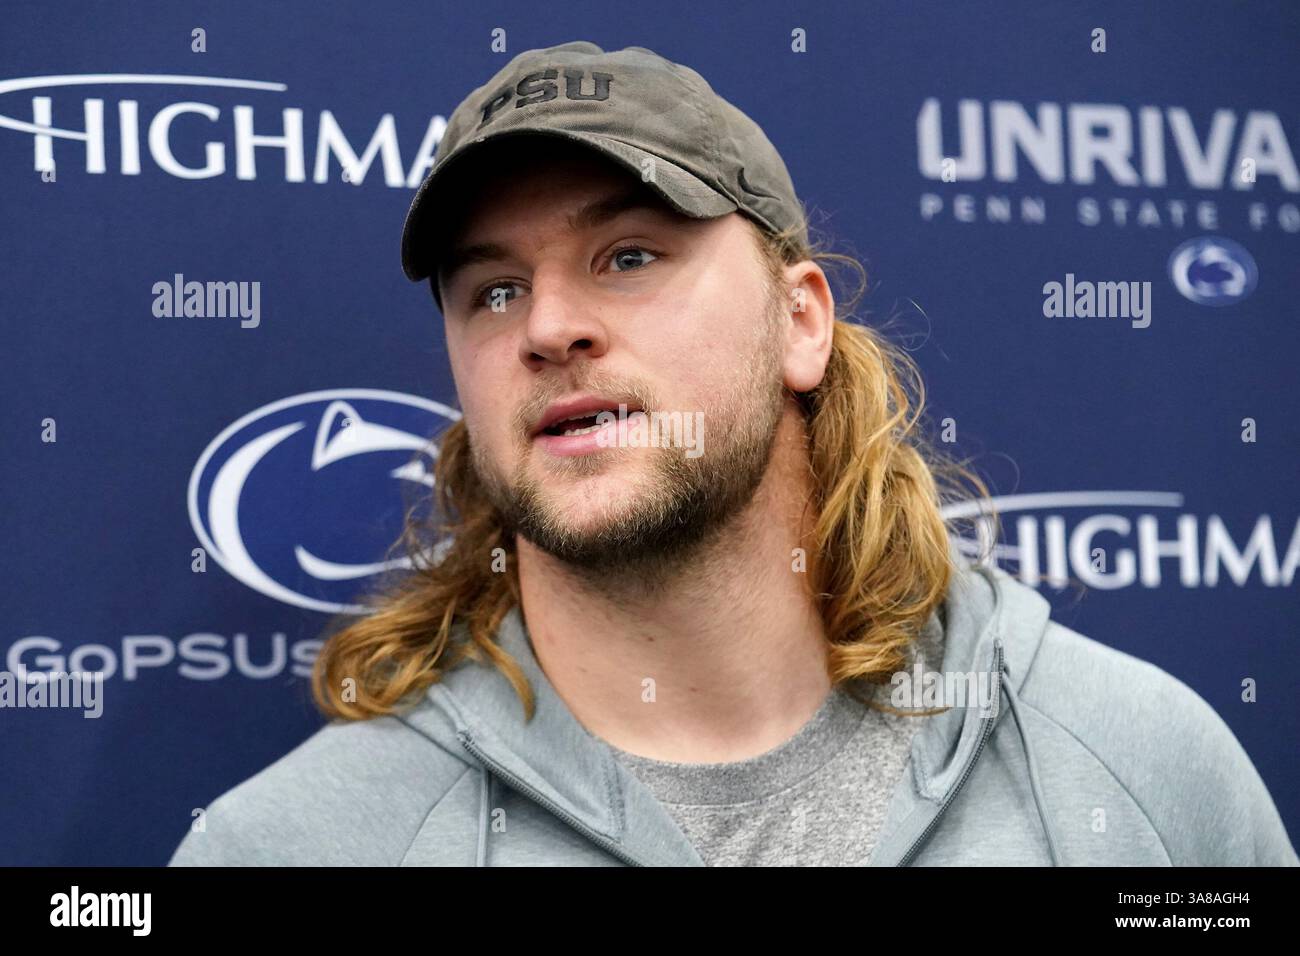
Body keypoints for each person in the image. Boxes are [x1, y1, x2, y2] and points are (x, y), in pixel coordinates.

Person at [168, 40, 1297, 867]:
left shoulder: (1139, 767)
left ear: (799, 320)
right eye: (494, 288)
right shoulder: (285, 847)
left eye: (628, 255)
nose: (547, 326)